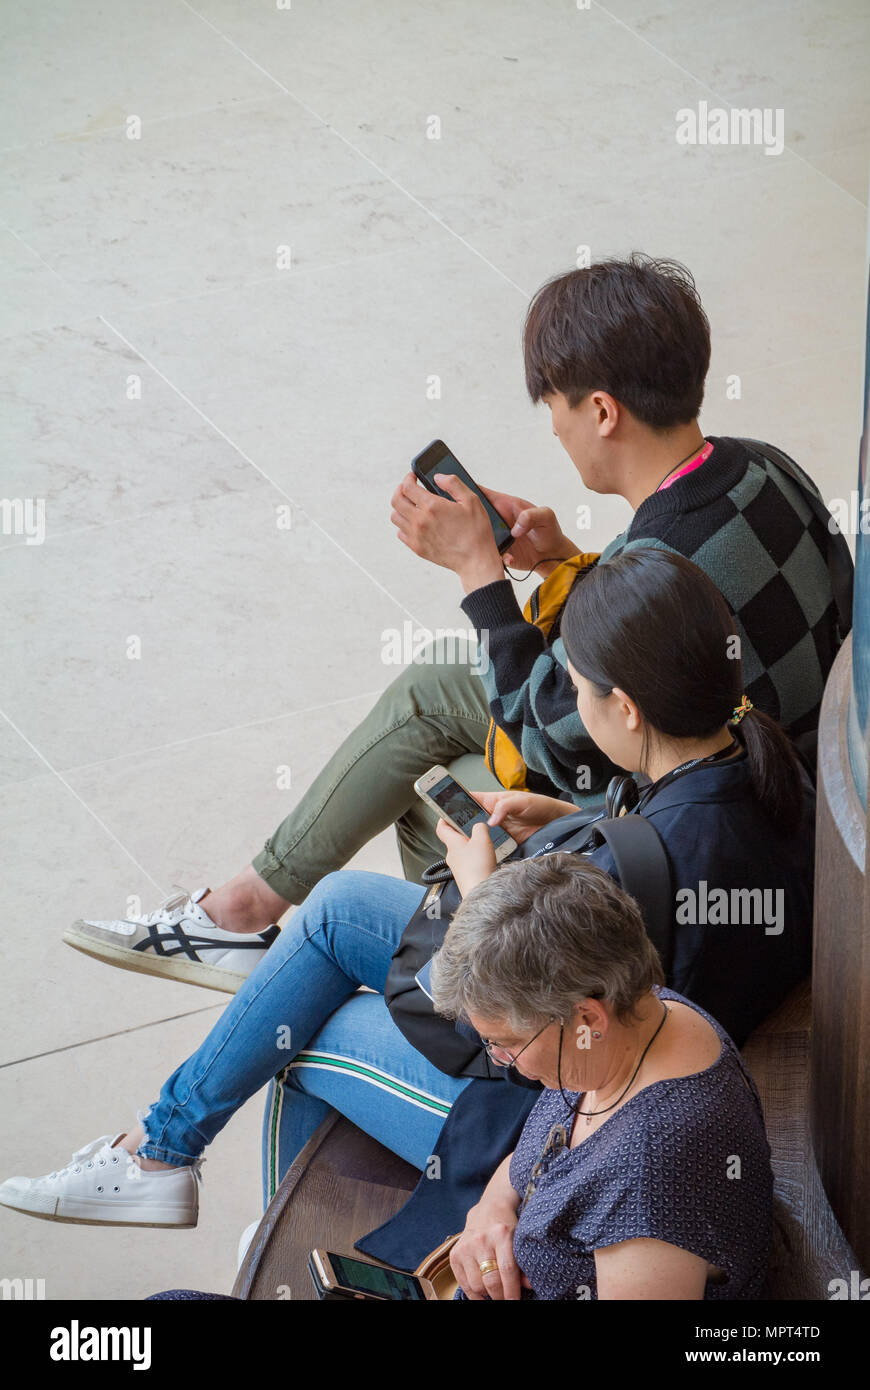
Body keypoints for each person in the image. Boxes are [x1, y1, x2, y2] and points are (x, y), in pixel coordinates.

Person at [0, 550, 811, 1286]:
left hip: (535, 1084)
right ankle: (161, 1153)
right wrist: (571, 818)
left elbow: (493, 1028)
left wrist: (486, 885)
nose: (569, 699)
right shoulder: (750, 766)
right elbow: (661, 891)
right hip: (584, 1032)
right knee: (339, 906)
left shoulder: (663, 859)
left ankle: (276, 1252)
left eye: (576, 682)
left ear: (627, 708)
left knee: (296, 1029)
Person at [62, 255, 843, 993]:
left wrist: (480, 576)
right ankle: (252, 911)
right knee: (436, 686)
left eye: (556, 406)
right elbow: (682, 602)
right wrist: (565, 560)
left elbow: (552, 740)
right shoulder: (765, 465)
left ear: (602, 410)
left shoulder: (664, 551)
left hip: (702, 808)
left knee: (431, 793)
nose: (555, 428)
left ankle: (463, 991)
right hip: (776, 783)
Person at [429, 854, 773, 1301]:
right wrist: (491, 1210)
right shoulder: (642, 1011)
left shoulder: (653, 1173)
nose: (501, 1059)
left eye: (506, 1043)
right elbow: (541, 1155)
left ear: (587, 1017)